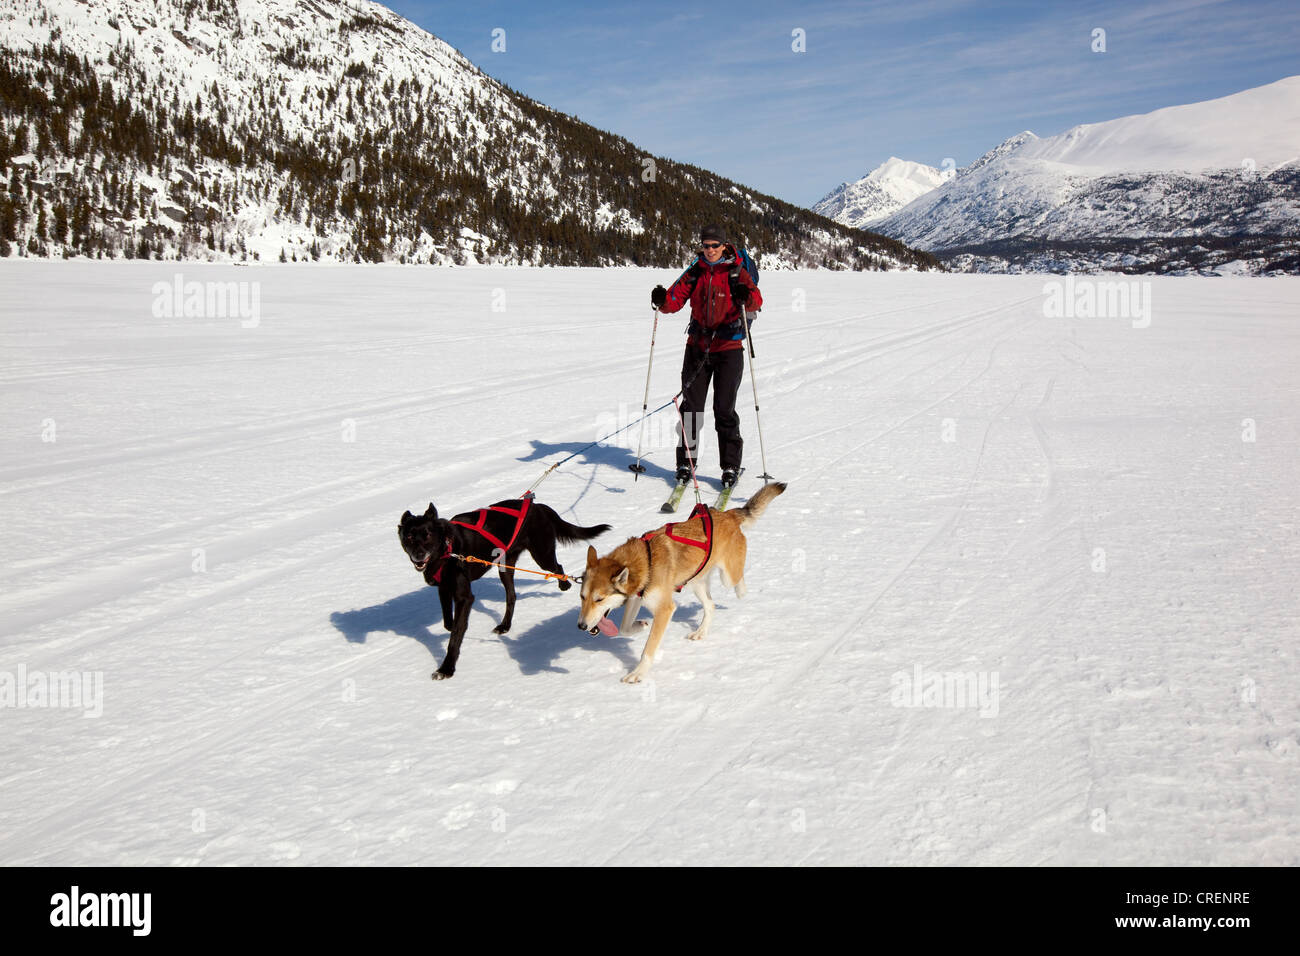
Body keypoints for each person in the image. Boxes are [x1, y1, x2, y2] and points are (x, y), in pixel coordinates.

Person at [651, 224, 762, 488]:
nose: (710, 250)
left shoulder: (736, 271)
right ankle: (685, 462)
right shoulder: (696, 271)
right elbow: (674, 300)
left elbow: (756, 301)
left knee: (724, 409)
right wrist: (661, 300)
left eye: (715, 245)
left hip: (729, 349)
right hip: (697, 348)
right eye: (706, 245)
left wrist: (745, 296)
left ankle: (730, 466)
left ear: (724, 246)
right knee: (691, 408)